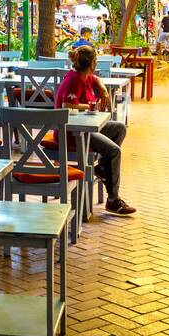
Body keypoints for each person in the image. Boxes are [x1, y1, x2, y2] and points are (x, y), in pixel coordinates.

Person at [56, 45, 135, 216]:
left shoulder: (84, 76)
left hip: (86, 128)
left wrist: (103, 87)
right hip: (73, 133)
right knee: (114, 151)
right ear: (92, 63)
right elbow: (67, 106)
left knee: (119, 129)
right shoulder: (74, 80)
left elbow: (93, 79)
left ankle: (102, 168)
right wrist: (89, 106)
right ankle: (113, 199)